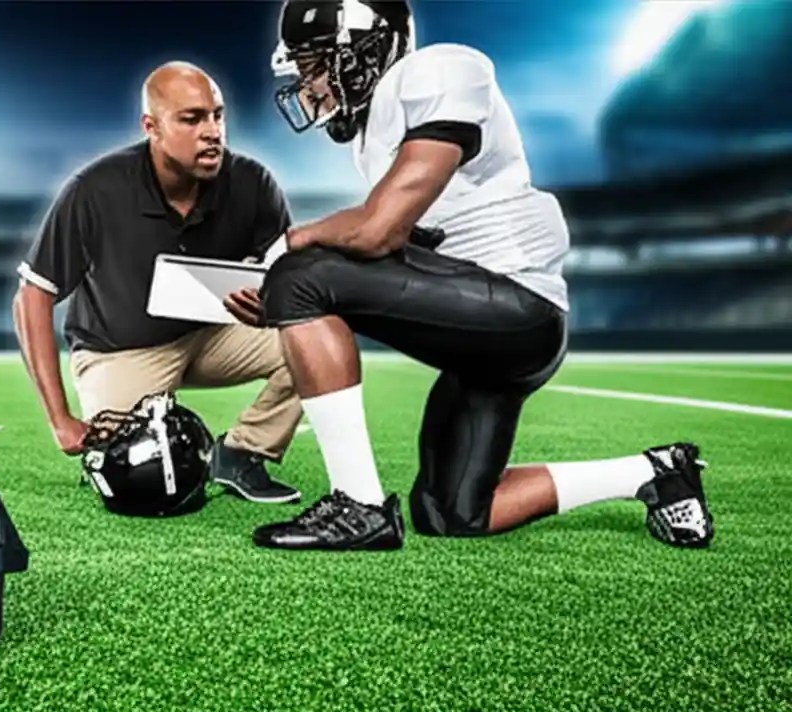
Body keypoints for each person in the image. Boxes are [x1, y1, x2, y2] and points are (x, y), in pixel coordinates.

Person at [231, 0, 715, 549]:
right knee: (454, 512)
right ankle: (656, 474)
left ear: (366, 51)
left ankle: (358, 506)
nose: (310, 85)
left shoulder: (437, 69)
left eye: (318, 64)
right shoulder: (377, 134)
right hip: (483, 323)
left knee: (302, 275)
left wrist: (288, 249)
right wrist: (278, 295)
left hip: (516, 305)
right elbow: (399, 246)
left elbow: (378, 232)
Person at [12, 60, 305, 504]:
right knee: (136, 473)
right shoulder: (95, 190)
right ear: (152, 127)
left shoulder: (252, 182)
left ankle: (242, 452)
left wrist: (272, 301)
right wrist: (60, 417)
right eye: (191, 118)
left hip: (212, 336)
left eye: (217, 115)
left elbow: (288, 277)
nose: (212, 131)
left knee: (317, 334)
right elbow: (33, 296)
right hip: (121, 350)